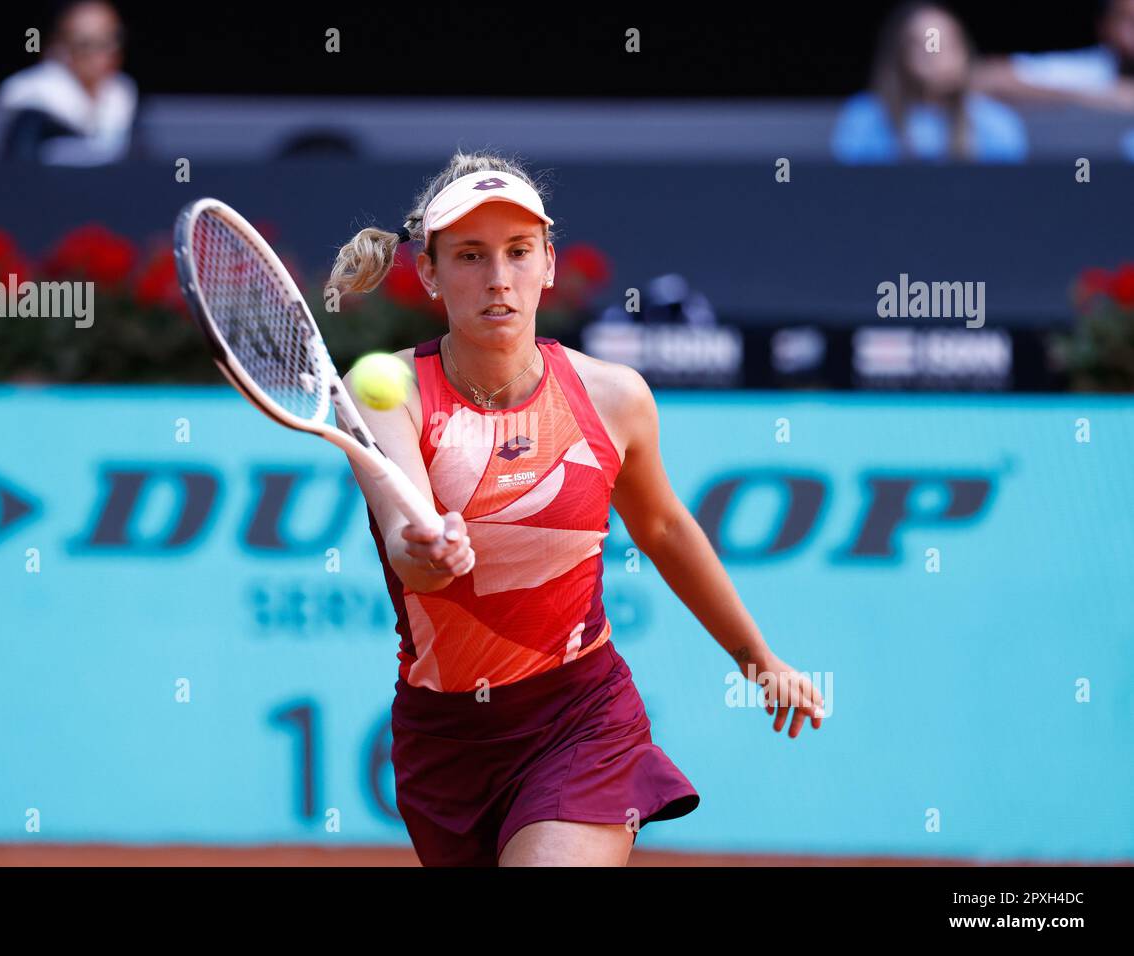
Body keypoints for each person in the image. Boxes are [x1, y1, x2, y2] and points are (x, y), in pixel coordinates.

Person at [326, 152, 825, 867]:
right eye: (470, 255)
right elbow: (411, 553)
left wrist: (757, 658)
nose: (498, 277)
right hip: (443, 743)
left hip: (581, 719)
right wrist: (431, 553)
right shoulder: (389, 392)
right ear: (429, 273)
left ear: (548, 264)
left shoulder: (613, 397)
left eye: (518, 252)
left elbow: (662, 528)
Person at [833, 2, 1028, 163]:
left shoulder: (994, 123)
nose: (936, 56)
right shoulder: (866, 119)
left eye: (949, 45)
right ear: (900, 53)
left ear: (964, 51)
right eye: (923, 46)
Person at [0, 1, 137, 165]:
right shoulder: (34, 100)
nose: (103, 54)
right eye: (87, 43)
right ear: (61, 48)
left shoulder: (121, 94)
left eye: (112, 39)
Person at [972, 0, 1134, 112]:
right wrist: (1102, 96)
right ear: (1105, 26)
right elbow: (989, 77)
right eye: (1129, 22)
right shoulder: (1090, 71)